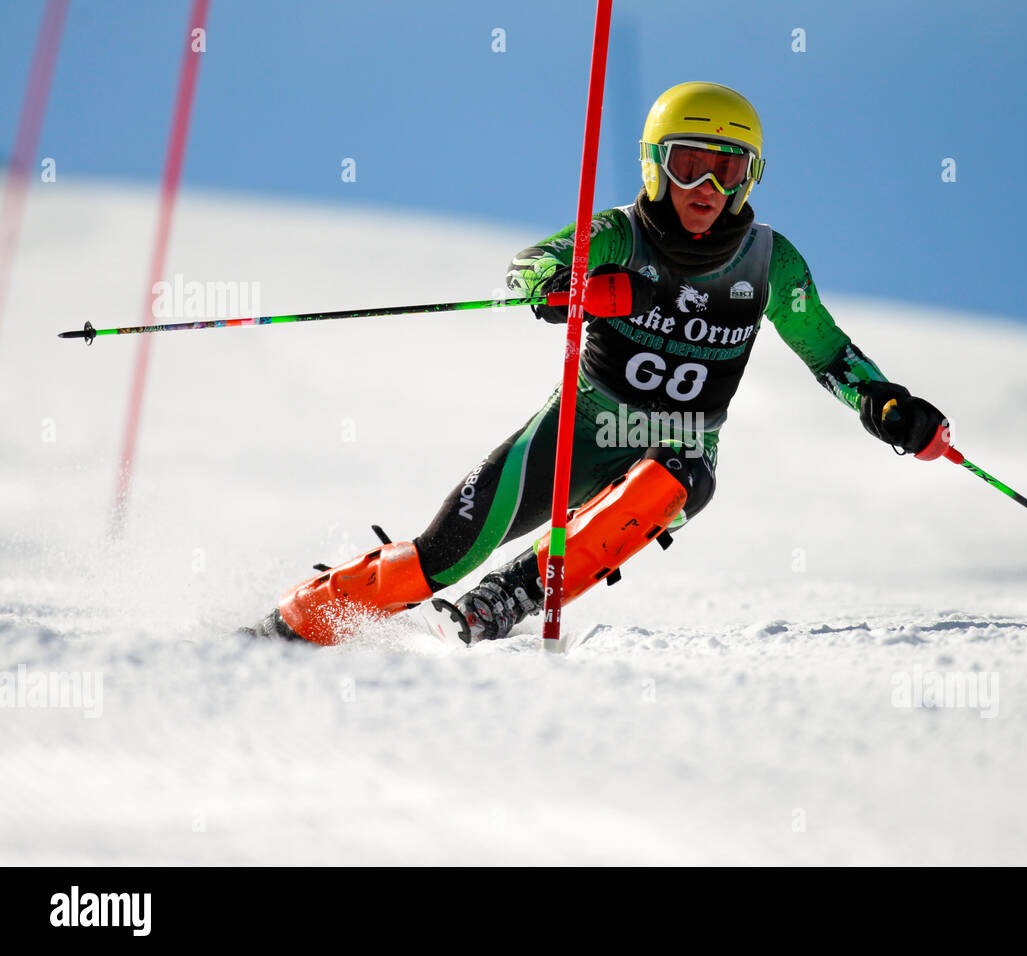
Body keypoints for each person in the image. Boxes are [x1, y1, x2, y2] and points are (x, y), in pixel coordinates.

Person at [246, 81, 951, 646]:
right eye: (689, 164)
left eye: (728, 169)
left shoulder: (771, 261)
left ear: (751, 178)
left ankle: (509, 598)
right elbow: (535, 264)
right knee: (439, 557)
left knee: (665, 485)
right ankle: (292, 625)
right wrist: (564, 288)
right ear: (655, 164)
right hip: (577, 432)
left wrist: (887, 407)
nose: (707, 187)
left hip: (681, 452)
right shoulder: (620, 232)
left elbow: (828, 352)